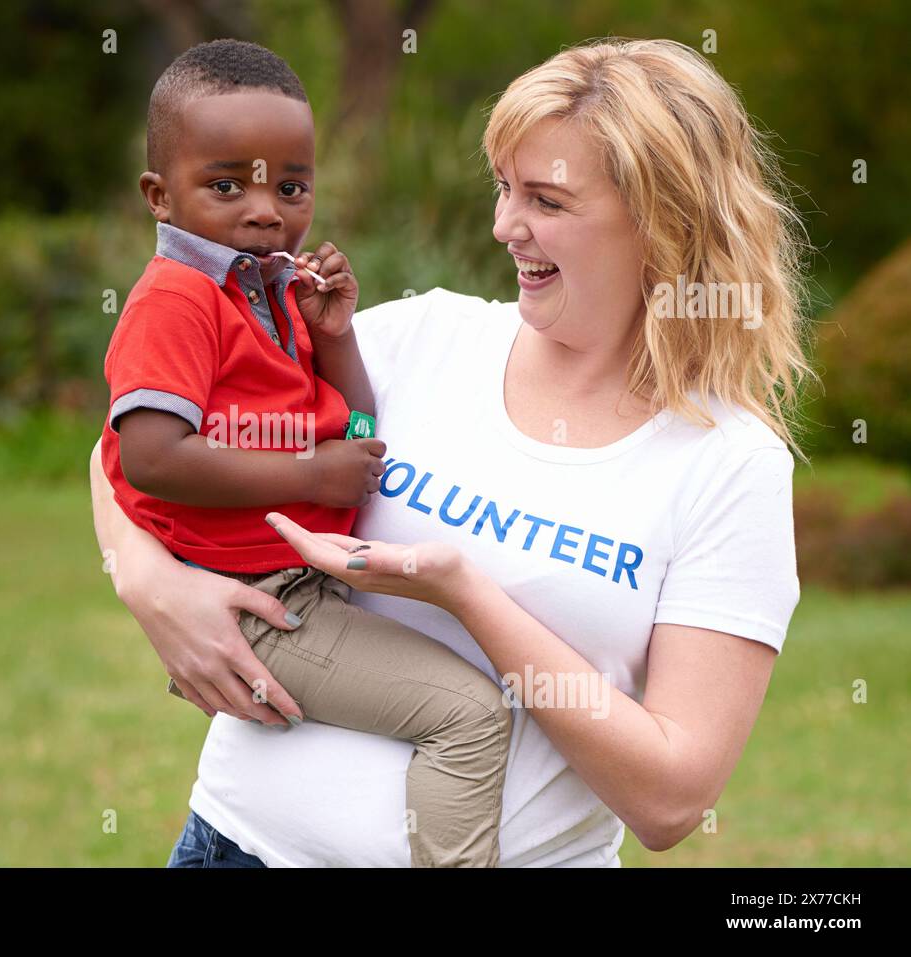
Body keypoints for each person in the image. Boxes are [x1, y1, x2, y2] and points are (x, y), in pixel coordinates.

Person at [91, 37, 812, 867]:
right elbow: (129, 449)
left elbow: (672, 798)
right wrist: (150, 583)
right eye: (505, 188)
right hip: (237, 846)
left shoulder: (730, 465)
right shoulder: (419, 338)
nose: (505, 225)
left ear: (662, 222)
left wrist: (467, 594)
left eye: (545, 198)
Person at [102, 38, 512, 867]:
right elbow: (148, 453)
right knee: (471, 714)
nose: (265, 210)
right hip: (269, 597)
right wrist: (308, 474)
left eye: (290, 186)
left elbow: (357, 436)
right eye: (227, 186)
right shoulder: (178, 299)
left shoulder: (271, 289)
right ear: (159, 195)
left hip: (306, 576)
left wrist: (335, 341)